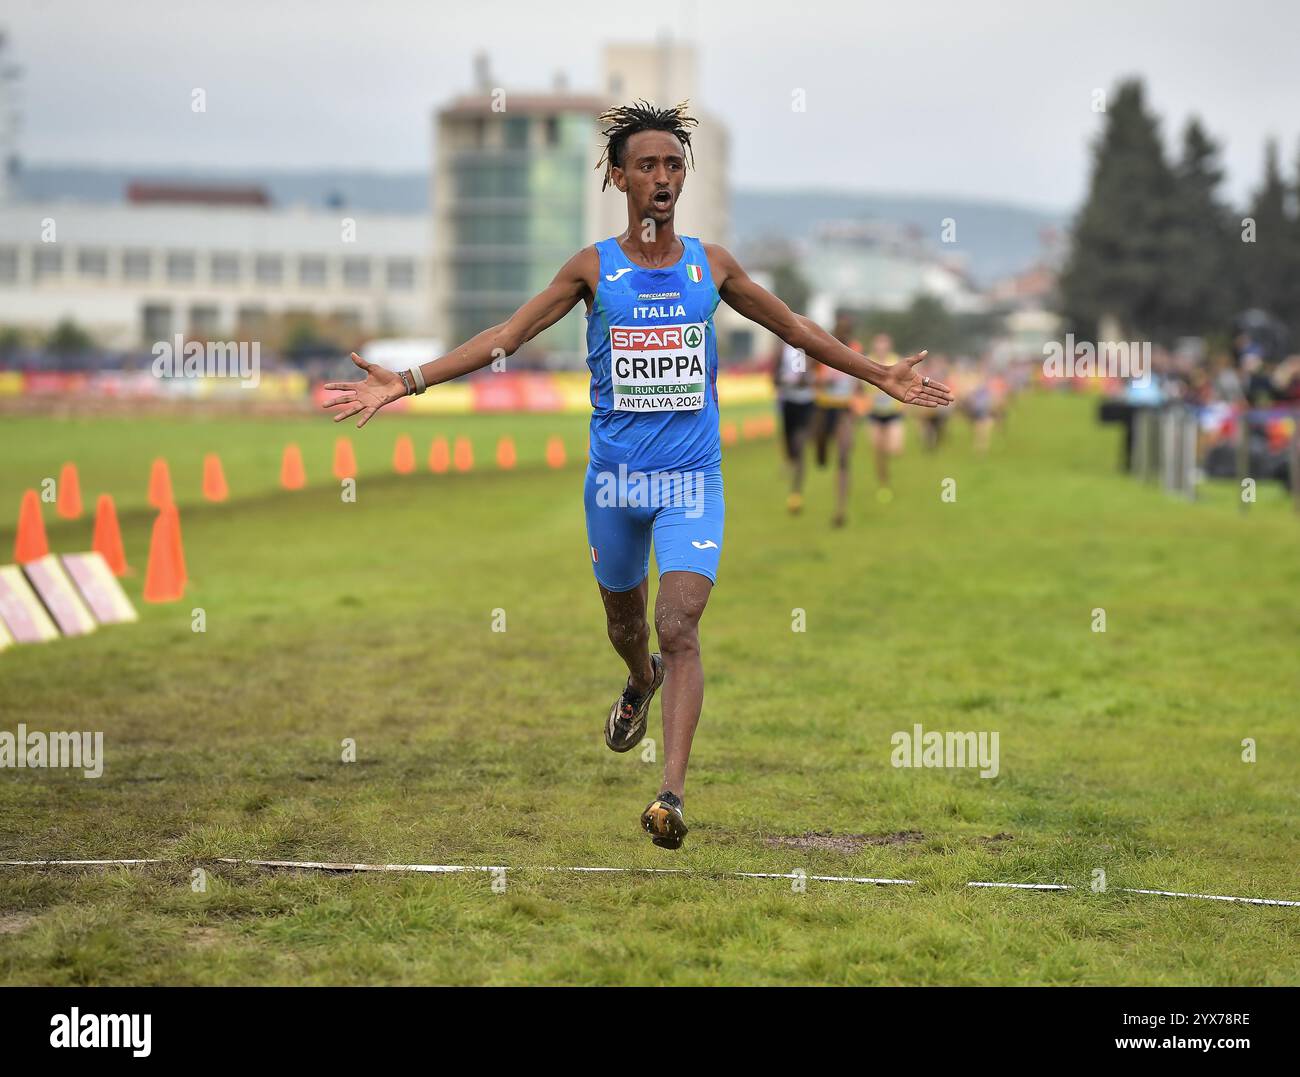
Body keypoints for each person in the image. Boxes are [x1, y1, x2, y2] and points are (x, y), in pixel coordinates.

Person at [322, 100, 954, 849]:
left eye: (674, 165)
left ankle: (672, 795)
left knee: (677, 622)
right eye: (647, 165)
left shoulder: (710, 266)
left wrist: (878, 374)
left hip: (692, 480)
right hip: (615, 488)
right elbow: (505, 337)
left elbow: (795, 328)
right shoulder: (594, 268)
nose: (662, 177)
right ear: (618, 176)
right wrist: (408, 380)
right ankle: (638, 679)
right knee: (627, 628)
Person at [810, 312, 864, 527]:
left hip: (844, 409)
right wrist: (821, 382)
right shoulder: (822, 347)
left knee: (843, 458)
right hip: (823, 408)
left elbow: (861, 378)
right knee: (821, 453)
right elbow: (811, 376)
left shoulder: (857, 350)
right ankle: (821, 452)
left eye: (847, 330)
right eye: (840, 329)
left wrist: (859, 391)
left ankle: (840, 509)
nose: (844, 333)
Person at [772, 337, 815, 514]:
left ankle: (796, 492)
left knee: (799, 446)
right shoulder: (781, 349)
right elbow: (773, 379)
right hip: (787, 403)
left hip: (805, 403)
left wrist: (801, 380)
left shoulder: (807, 348)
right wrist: (784, 380)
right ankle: (791, 464)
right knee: (790, 448)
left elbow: (808, 379)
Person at [864, 333, 906, 497]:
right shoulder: (867, 362)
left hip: (893, 412)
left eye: (884, 344)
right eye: (878, 343)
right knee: (878, 451)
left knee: (895, 448)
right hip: (874, 413)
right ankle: (883, 481)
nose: (881, 347)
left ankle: (886, 472)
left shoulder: (896, 361)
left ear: (889, 346)